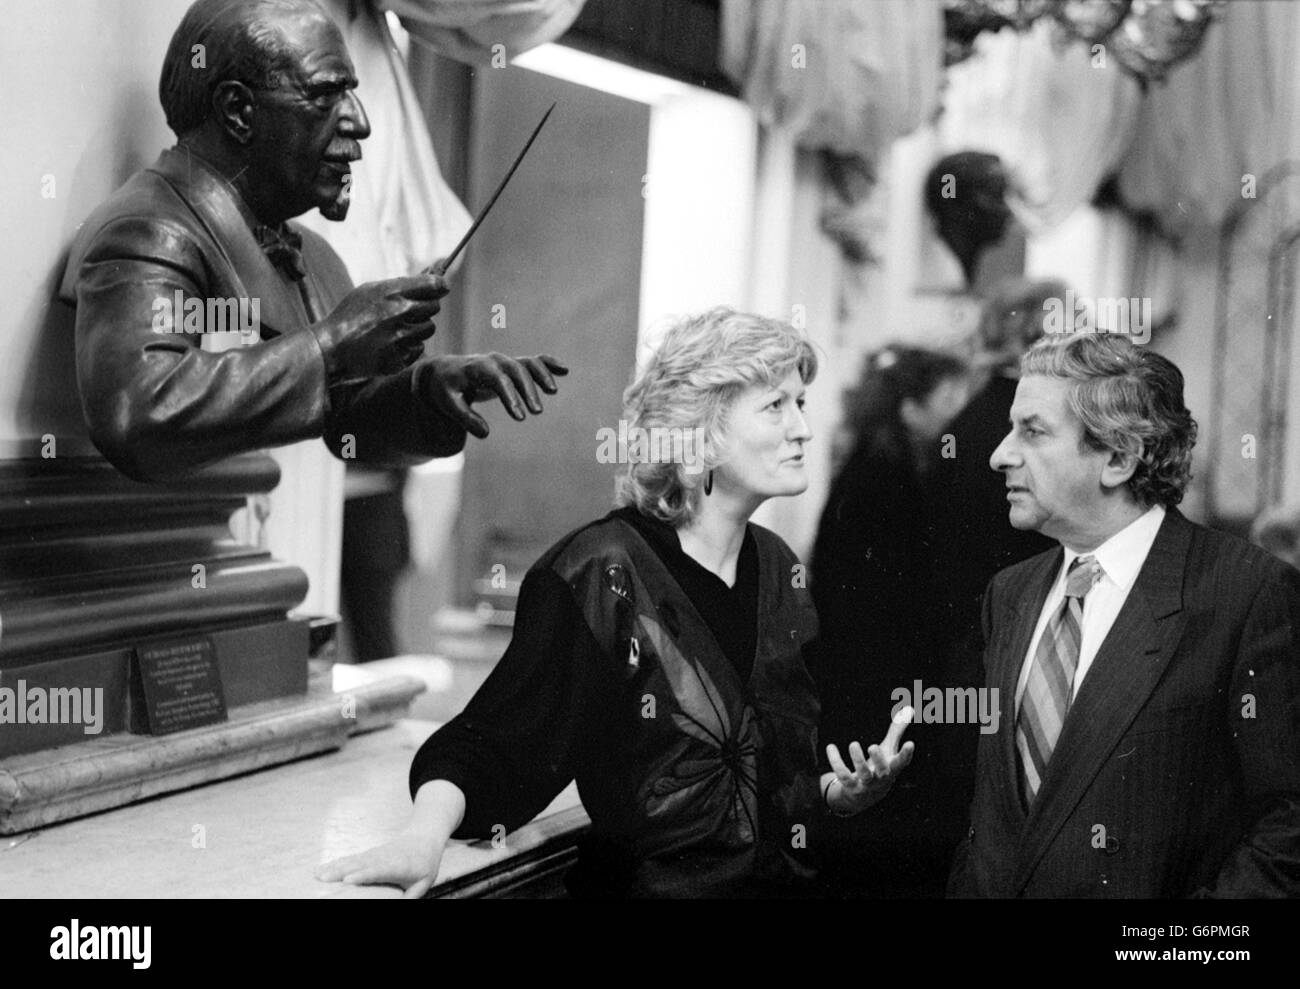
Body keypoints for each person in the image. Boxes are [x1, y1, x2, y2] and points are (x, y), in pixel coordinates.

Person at [317, 308, 915, 898]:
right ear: (696, 437)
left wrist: (842, 792)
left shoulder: (780, 568)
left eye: (800, 403)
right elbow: (489, 745)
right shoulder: (601, 571)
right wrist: (422, 837)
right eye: (775, 406)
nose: (802, 428)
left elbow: (779, 776)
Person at [59, 0, 564, 483]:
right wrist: (337, 340)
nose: (358, 123)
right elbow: (141, 415)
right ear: (238, 110)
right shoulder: (152, 231)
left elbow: (344, 416)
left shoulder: (310, 254)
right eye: (326, 95)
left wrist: (432, 389)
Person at [950, 332, 1300, 898]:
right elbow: (995, 822)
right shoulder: (1010, 594)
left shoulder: (1245, 593)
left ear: (1117, 457)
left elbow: (1288, 822)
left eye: (1032, 431)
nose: (1000, 454)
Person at [809, 345, 969, 898]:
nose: (960, 413)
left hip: (863, 676)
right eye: (950, 399)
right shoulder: (885, 479)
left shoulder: (877, 465)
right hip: (875, 683)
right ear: (910, 407)